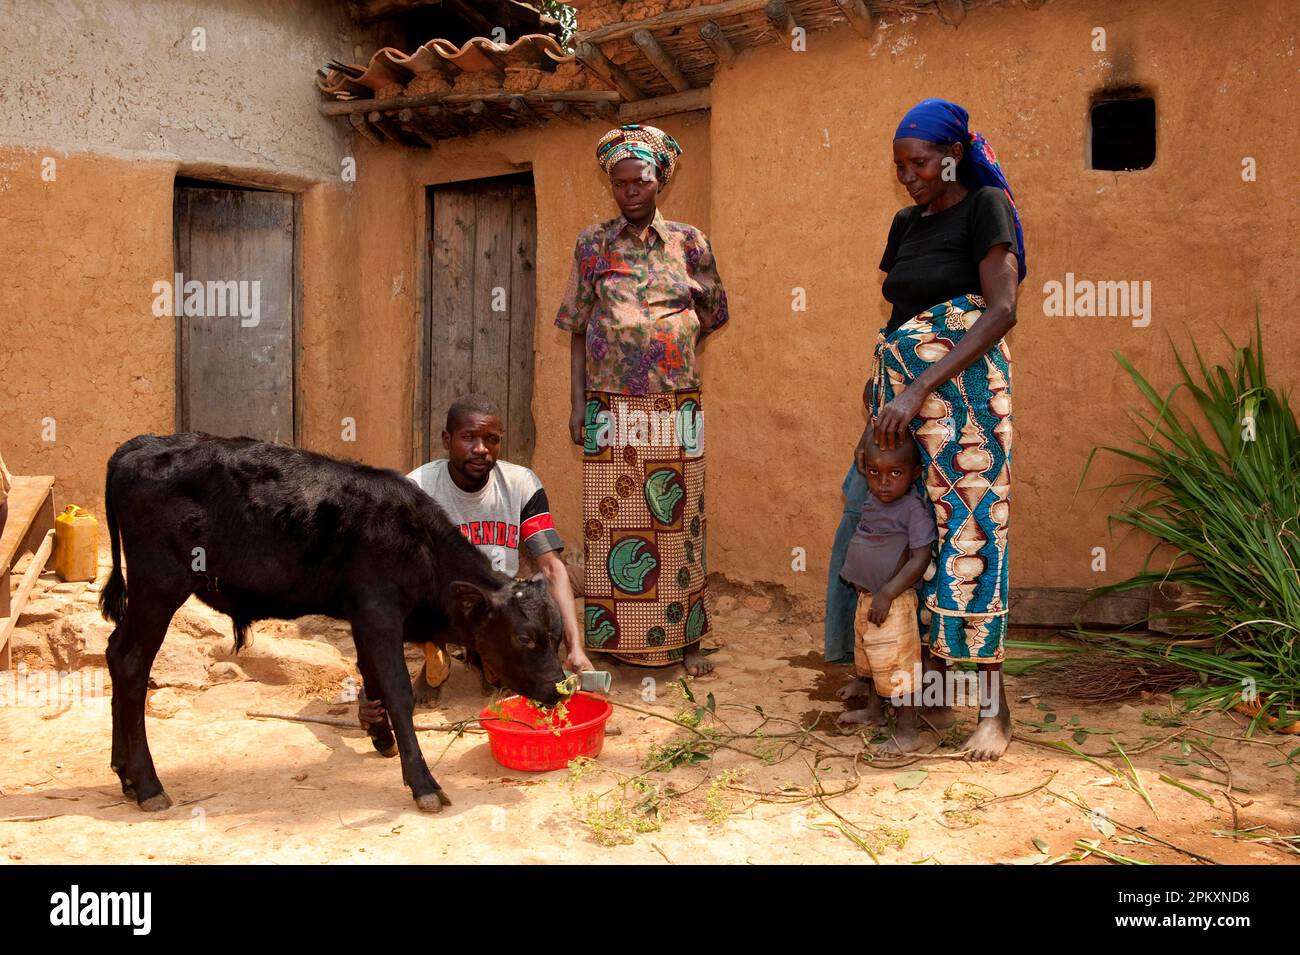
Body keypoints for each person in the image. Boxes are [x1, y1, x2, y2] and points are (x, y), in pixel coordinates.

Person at [860, 98, 1025, 762]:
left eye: (920, 162)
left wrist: (921, 383)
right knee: (907, 543)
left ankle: (996, 714)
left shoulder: (986, 209)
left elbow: (1002, 308)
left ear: (951, 156)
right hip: (905, 411)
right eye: (900, 165)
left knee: (971, 545)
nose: (909, 175)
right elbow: (901, 316)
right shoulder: (905, 224)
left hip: (969, 412)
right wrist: (879, 386)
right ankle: (921, 694)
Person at [556, 124, 729, 677]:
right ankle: (613, 640)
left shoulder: (690, 242)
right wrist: (580, 403)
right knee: (612, 522)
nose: (630, 191)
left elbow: (713, 313)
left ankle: (687, 641)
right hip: (610, 407)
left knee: (681, 522)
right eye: (620, 182)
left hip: (676, 407)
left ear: (661, 181)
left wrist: (667, 344)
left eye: (641, 181)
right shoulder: (592, 244)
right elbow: (579, 327)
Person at [360, 395, 590, 726]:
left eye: (491, 439)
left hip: (496, 604)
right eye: (469, 438)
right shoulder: (418, 489)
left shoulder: (521, 485)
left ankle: (485, 662)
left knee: (535, 601)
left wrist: (575, 648)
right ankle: (434, 651)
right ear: (447, 440)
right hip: (439, 604)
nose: (481, 448)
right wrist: (369, 690)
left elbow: (552, 567)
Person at [835, 432, 935, 753]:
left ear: (914, 473)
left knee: (897, 665)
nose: (884, 482)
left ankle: (908, 730)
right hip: (868, 599)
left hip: (894, 602)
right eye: (875, 473)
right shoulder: (871, 500)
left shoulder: (913, 510)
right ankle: (875, 712)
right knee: (871, 659)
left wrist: (888, 593)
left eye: (895, 473)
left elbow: (920, 559)